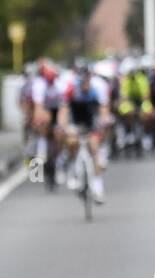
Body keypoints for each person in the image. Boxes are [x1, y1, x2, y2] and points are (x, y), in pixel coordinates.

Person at [61, 62, 110, 202]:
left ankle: (98, 187)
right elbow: (64, 110)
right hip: (75, 121)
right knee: (72, 142)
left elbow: (103, 109)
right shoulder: (71, 89)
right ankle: (71, 170)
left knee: (94, 148)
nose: (86, 84)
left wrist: (104, 121)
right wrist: (64, 126)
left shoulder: (97, 87)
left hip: (90, 121)